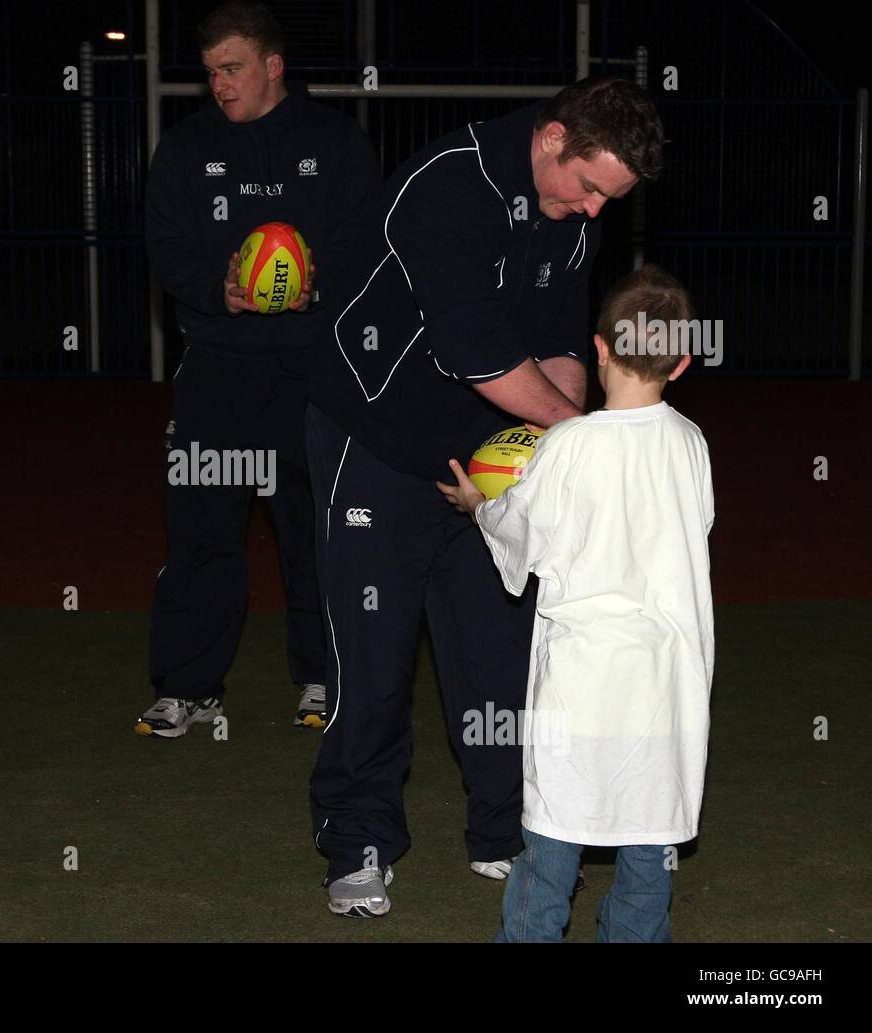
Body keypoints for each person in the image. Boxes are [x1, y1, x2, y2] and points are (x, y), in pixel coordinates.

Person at [306, 76, 664, 915]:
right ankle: (357, 840)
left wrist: (556, 439)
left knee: (497, 650)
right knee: (374, 652)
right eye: (589, 189)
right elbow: (481, 356)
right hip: (378, 444)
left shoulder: (570, 212)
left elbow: (553, 343)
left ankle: (503, 831)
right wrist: (588, 439)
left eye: (610, 199)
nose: (593, 214)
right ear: (553, 140)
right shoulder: (449, 186)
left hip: (487, 457)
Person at [438, 264, 714, 942]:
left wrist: (480, 504)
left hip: (581, 684)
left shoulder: (567, 445)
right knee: (650, 840)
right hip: (664, 683)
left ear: (598, 348)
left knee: (553, 839)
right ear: (680, 362)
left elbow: (520, 535)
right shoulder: (691, 445)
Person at [137, 1, 380, 738]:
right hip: (218, 372)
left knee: (316, 531)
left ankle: (320, 676)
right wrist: (221, 288)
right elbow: (166, 249)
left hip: (313, 370)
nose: (219, 84)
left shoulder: (335, 142)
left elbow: (366, 243)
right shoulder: (183, 150)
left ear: (274, 66)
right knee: (201, 529)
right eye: (210, 71)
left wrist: (316, 283)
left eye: (233, 68)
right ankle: (189, 685)